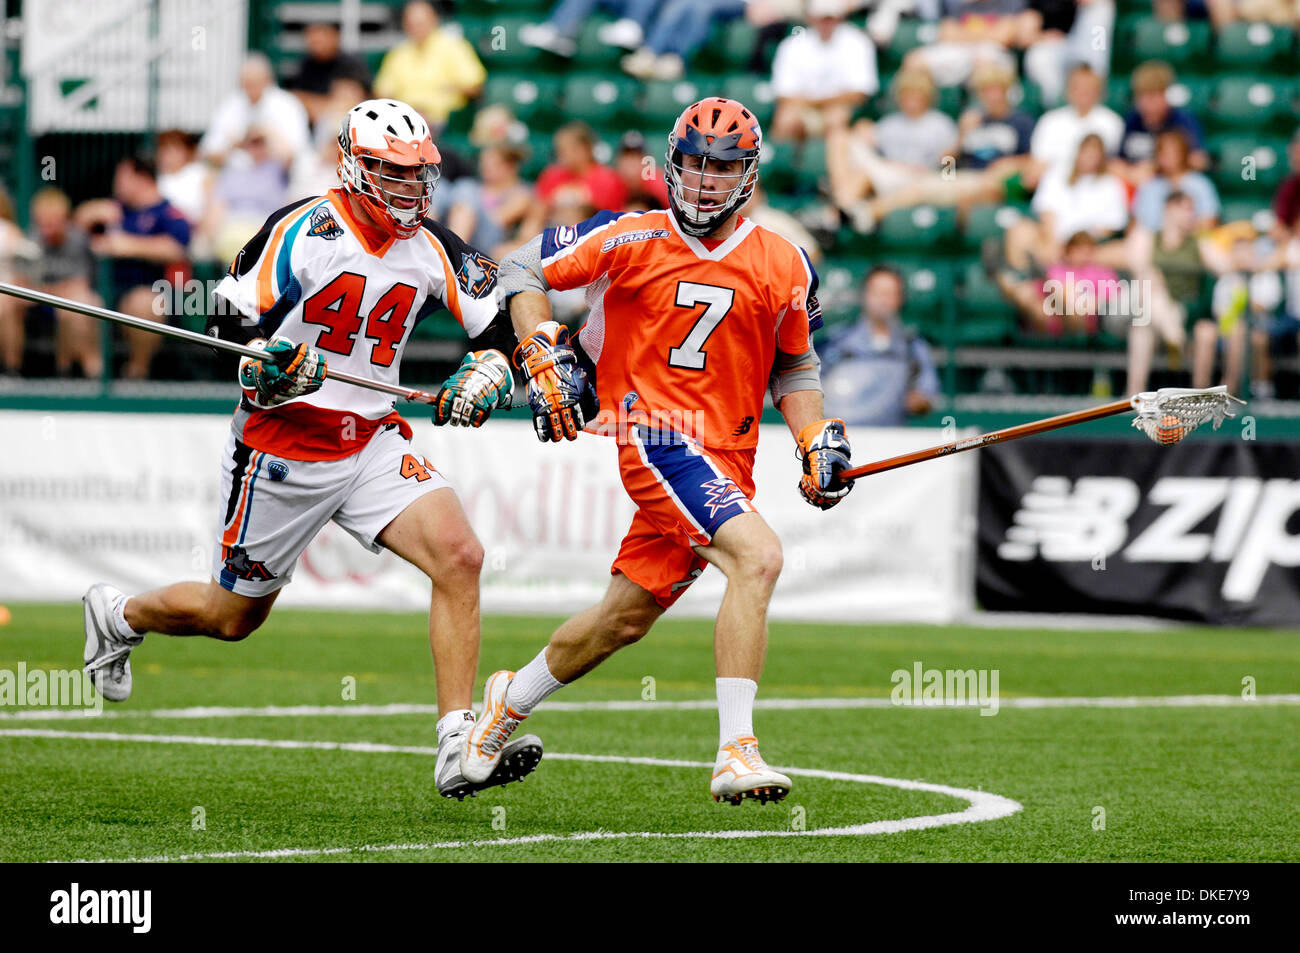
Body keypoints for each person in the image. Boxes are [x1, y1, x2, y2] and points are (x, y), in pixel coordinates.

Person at [79, 99, 540, 801]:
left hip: (373, 438)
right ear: (355, 168)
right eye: (394, 173)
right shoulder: (306, 227)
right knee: (231, 617)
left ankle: (456, 742)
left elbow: (499, 319)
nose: (412, 190)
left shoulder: (432, 245)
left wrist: (491, 367)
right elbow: (228, 316)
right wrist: (265, 361)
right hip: (284, 443)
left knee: (461, 554)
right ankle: (120, 614)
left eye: (421, 175)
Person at [458, 97, 853, 806]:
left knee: (622, 619)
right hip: (656, 435)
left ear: (748, 173)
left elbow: (794, 367)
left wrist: (813, 437)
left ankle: (503, 704)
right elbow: (521, 267)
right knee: (758, 557)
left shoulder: (784, 261)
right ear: (672, 164)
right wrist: (542, 349)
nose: (704, 179)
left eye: (721, 165)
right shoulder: (628, 235)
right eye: (694, 163)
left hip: (727, 456)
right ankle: (737, 749)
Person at [74, 156, 192, 380]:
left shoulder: (167, 213)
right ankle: (95, 374)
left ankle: (136, 372)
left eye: (122, 177)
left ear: (141, 178)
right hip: (106, 290)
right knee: (78, 301)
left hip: (152, 291)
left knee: (141, 302)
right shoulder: (116, 209)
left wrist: (129, 245)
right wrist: (91, 211)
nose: (116, 183)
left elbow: (176, 249)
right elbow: (76, 221)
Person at [820, 265, 940, 425]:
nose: (882, 300)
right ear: (864, 296)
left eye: (889, 294)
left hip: (890, 437)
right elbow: (814, 384)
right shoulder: (839, 340)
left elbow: (928, 394)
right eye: (877, 292)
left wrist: (919, 402)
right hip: (841, 434)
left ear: (900, 299)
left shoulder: (913, 347)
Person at [769, 0, 878, 142]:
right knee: (786, 120)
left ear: (840, 17)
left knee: (836, 118)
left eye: (830, 18)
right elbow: (783, 92)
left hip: (840, 107)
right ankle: (780, 161)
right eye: (821, 18)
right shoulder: (792, 44)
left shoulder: (858, 42)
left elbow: (860, 92)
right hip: (803, 107)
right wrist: (815, 103)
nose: (826, 23)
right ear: (811, 18)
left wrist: (818, 102)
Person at [24, 188, 104, 378]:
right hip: (38, 305)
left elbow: (80, 285)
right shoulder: (30, 240)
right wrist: (52, 291)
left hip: (72, 301)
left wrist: (44, 291)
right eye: (43, 223)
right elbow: (22, 287)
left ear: (65, 219)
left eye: (53, 222)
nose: (47, 229)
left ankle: (83, 370)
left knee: (77, 306)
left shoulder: (78, 240)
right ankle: (11, 371)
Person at [373, 1, 486, 132]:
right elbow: (381, 92)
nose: (416, 28)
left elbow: (475, 86)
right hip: (404, 122)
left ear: (434, 20)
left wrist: (452, 88)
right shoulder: (398, 53)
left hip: (444, 121)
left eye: (420, 23)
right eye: (411, 24)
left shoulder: (454, 46)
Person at [284, 21, 371, 127]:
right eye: (313, 41)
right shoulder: (305, 64)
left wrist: (312, 104)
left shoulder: (350, 64)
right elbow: (294, 99)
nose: (316, 45)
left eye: (320, 40)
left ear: (334, 37)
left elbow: (347, 105)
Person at [535, 122, 628, 218]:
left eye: (564, 149)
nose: (560, 154)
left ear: (584, 149)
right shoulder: (552, 175)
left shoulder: (607, 178)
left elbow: (609, 215)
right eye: (559, 149)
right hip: (553, 227)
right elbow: (540, 205)